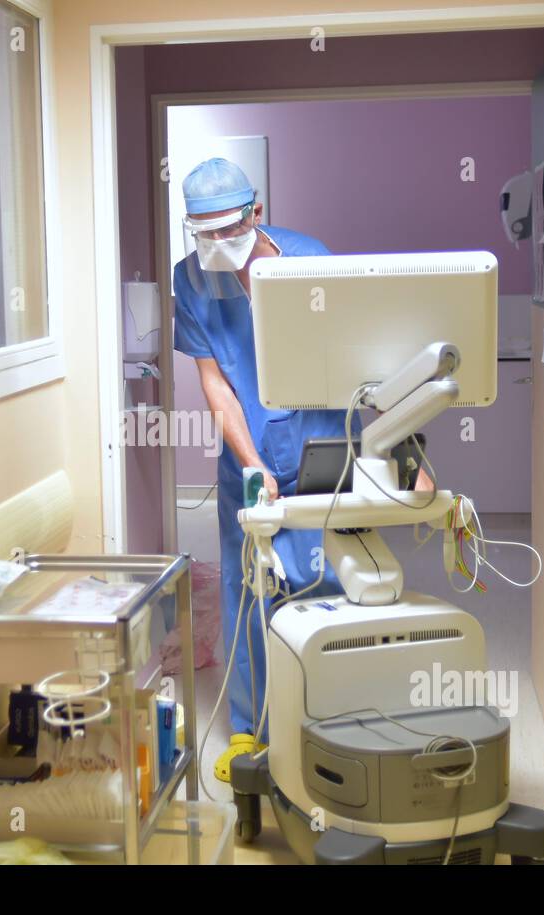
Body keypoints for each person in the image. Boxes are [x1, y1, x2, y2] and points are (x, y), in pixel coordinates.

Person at [171, 159, 360, 781]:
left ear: (256, 213)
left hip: (323, 448)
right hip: (248, 460)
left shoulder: (311, 262)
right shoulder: (191, 282)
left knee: (330, 579)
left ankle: (330, 722)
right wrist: (253, 464)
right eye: (205, 236)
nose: (218, 247)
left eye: (230, 232)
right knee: (250, 589)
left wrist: (402, 449)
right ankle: (249, 732)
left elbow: (361, 357)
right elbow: (217, 387)